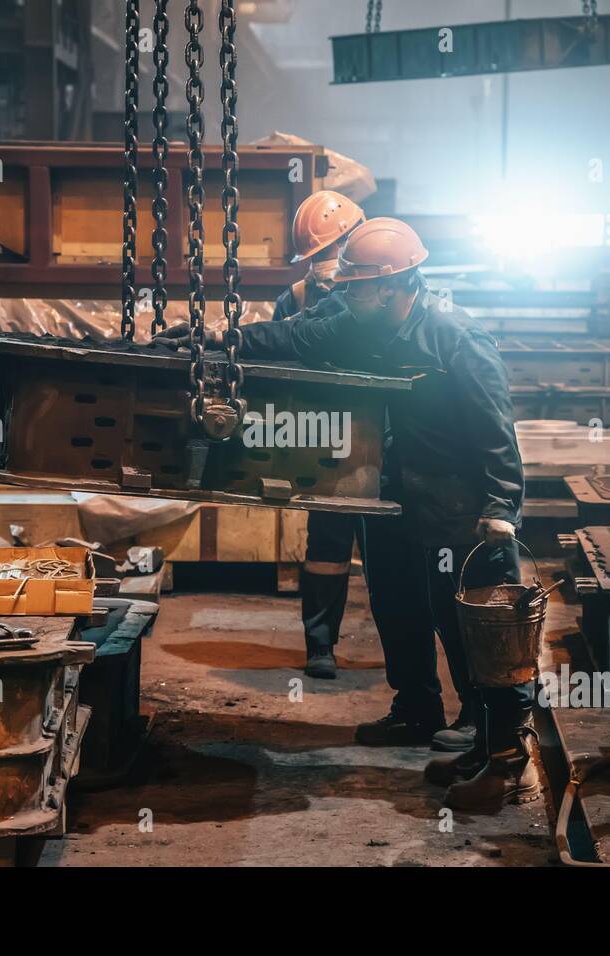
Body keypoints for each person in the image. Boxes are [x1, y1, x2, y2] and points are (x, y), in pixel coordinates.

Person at [155, 218, 538, 811]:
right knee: (397, 607)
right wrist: (212, 342)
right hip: (389, 500)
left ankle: (508, 761)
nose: (346, 291)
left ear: (392, 285)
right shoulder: (361, 326)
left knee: (475, 629)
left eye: (357, 283)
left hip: (457, 509)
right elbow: (287, 338)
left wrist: (499, 509)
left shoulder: (454, 337)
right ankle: (423, 715)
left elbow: (496, 432)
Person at [276, 190, 365, 680]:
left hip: (380, 436)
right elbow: (275, 361)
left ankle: (406, 656)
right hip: (326, 438)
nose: (323, 264)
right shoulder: (295, 299)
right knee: (327, 547)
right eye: (315, 257)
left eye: (327, 252)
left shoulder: (382, 288)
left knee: (388, 548)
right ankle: (320, 646)